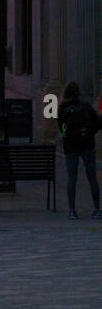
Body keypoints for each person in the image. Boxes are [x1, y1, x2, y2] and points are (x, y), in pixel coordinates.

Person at [58, 81, 101, 219]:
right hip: (87, 145)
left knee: (72, 178)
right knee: (92, 178)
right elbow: (98, 123)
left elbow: (62, 129)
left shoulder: (63, 109)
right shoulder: (86, 107)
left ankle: (72, 210)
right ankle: (96, 209)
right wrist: (89, 133)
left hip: (71, 147)